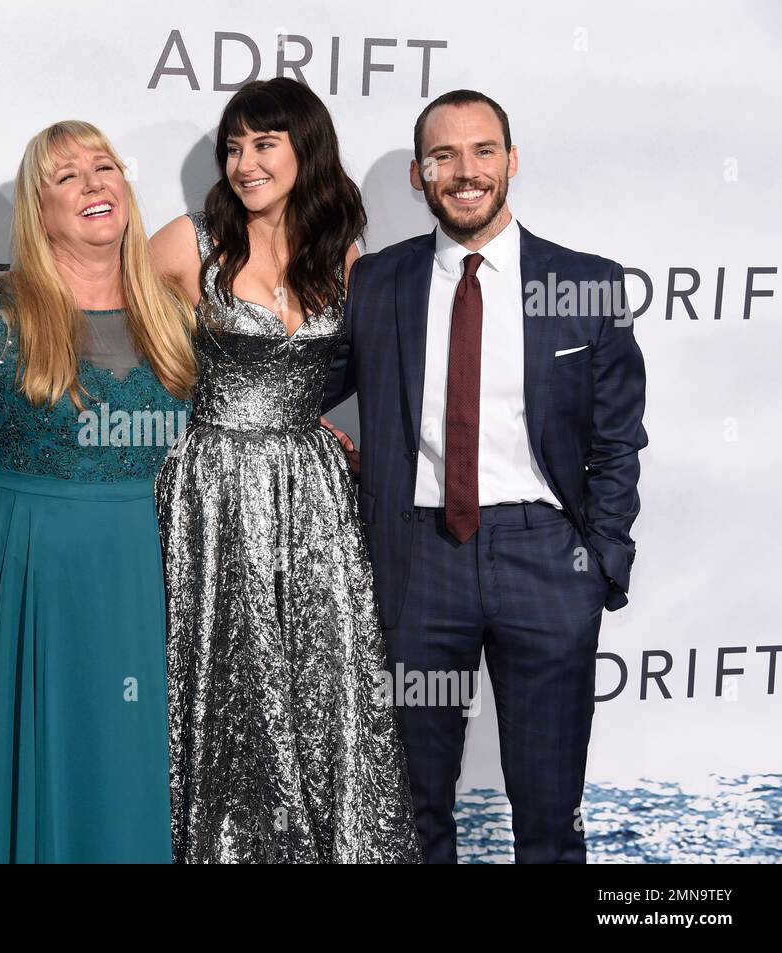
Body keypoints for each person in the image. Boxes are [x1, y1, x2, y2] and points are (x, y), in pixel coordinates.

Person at [322, 89, 647, 863]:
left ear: (510, 162)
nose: (464, 172)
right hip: (417, 558)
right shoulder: (377, 283)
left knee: (548, 814)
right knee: (413, 810)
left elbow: (618, 441)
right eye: (443, 156)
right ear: (417, 175)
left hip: (546, 557)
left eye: (481, 151)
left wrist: (598, 562)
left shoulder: (585, 284)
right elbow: (301, 389)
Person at [150, 78, 421, 863]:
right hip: (213, 486)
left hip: (311, 489)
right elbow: (107, 328)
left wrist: (332, 435)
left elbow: (366, 371)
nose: (244, 163)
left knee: (317, 680)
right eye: (233, 147)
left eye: (264, 144)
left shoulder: (343, 253)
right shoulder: (188, 240)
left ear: (306, 150)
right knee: (229, 683)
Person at [0, 121, 195, 863]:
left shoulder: (180, 317)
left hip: (151, 583)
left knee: (132, 771)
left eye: (104, 166)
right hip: (32, 581)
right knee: (43, 757)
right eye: (67, 176)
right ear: (38, 208)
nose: (93, 184)